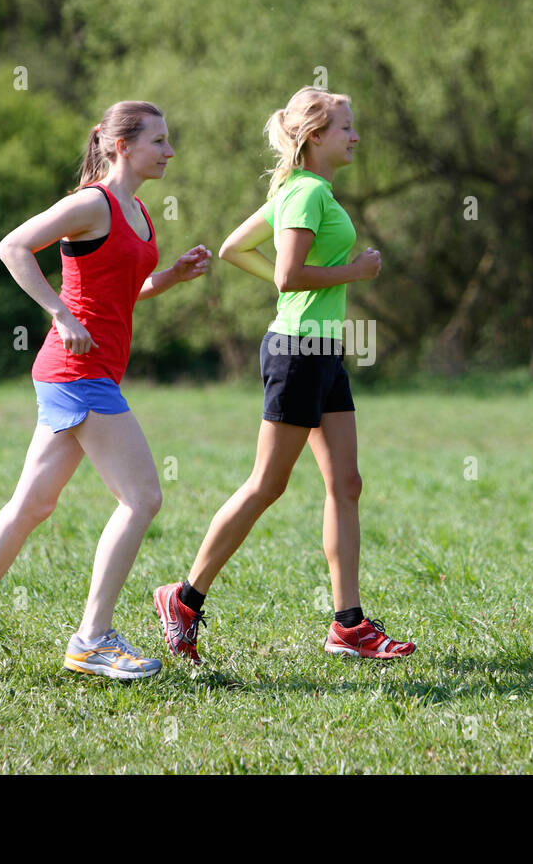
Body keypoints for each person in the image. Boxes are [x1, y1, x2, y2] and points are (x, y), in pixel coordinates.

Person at [0, 101, 210, 684]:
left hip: (86, 370)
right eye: (159, 140)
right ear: (121, 145)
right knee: (143, 497)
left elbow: (118, 290)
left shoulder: (138, 212)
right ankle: (93, 639)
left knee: (32, 505)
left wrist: (168, 278)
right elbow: (13, 247)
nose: (170, 151)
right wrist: (58, 313)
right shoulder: (92, 203)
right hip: (78, 373)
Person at [153, 86, 415, 662]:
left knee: (346, 484)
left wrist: (306, 281)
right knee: (266, 485)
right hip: (298, 352)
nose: (355, 137)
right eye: (346, 127)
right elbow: (289, 276)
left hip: (323, 351)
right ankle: (185, 597)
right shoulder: (306, 194)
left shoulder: (301, 190)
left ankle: (348, 624)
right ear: (316, 136)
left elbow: (232, 248)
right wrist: (355, 272)